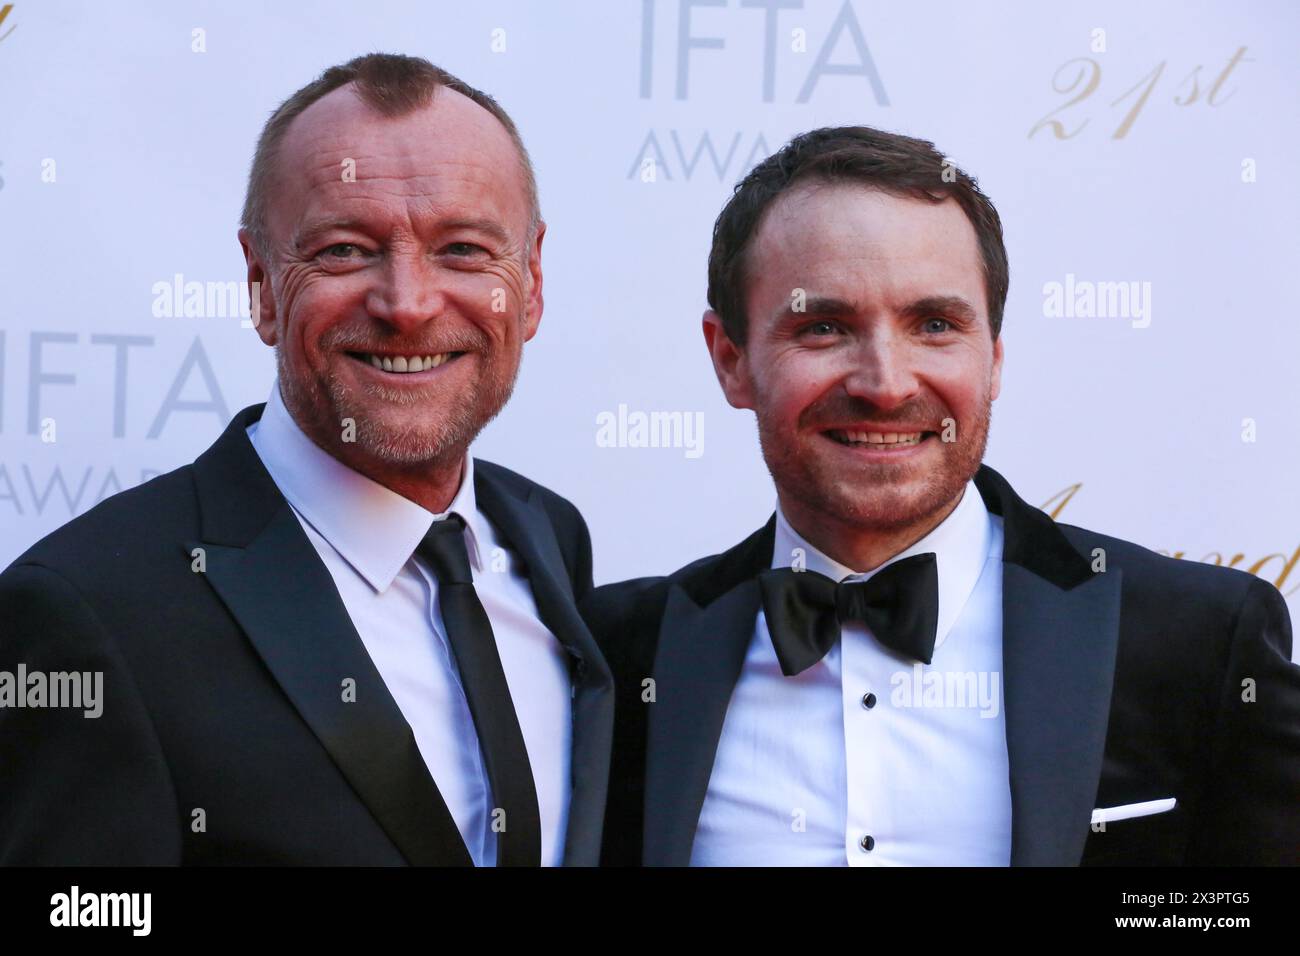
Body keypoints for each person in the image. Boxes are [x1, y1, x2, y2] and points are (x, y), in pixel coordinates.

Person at [583, 126, 1300, 866]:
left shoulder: (1203, 643)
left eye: (934, 325)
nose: (886, 384)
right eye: (824, 327)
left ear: (992, 358)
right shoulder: (614, 656)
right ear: (730, 360)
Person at [0, 53, 612, 866]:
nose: (407, 304)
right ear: (259, 283)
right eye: (345, 251)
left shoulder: (548, 538)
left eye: (463, 249)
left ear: (530, 282)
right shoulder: (87, 614)